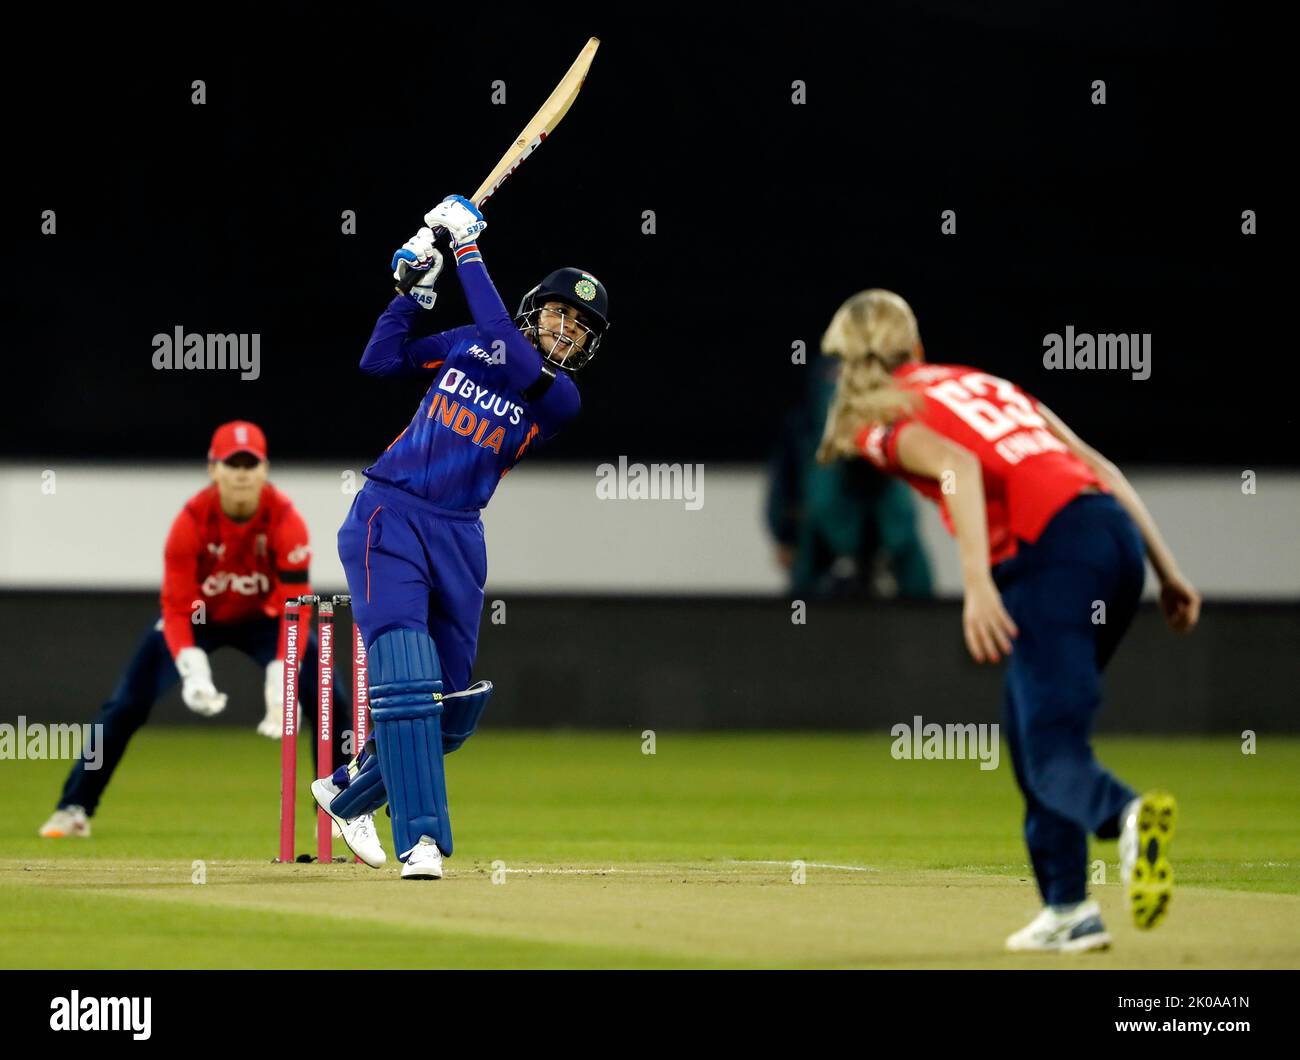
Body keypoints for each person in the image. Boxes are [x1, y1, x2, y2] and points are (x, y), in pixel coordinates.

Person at [816, 289, 1199, 952]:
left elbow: (958, 467)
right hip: (1111, 540)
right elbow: (1099, 466)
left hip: (1052, 552)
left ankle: (1127, 815)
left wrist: (975, 583)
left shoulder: (879, 415)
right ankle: (1068, 908)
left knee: (1049, 745)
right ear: (917, 346)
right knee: (1033, 733)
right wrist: (1168, 571)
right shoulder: (986, 384)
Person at [311, 194, 609, 880]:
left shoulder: (557, 396)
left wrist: (468, 246)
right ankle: (421, 840)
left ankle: (347, 791)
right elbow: (379, 363)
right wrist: (413, 295)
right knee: (410, 684)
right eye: (562, 313)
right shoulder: (469, 343)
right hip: (389, 514)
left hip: (459, 539)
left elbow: (508, 350)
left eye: (581, 327)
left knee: (448, 708)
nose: (566, 331)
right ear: (538, 308)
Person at [39, 421, 350, 837]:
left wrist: (281, 674)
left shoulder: (286, 520)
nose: (241, 473)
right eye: (231, 463)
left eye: (250, 463)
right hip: (198, 619)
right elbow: (176, 607)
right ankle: (73, 806)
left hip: (270, 620)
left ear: (264, 469)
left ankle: (336, 812)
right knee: (124, 705)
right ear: (213, 469)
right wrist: (192, 668)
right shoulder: (190, 522)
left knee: (333, 700)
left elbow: (296, 604)